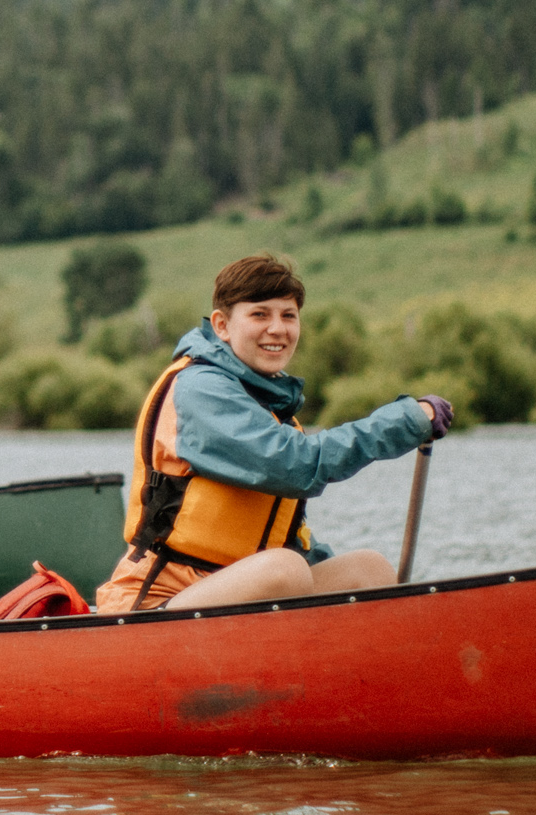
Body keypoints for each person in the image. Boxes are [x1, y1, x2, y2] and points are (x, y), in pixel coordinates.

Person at [93, 253, 452, 613]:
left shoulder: (266, 403)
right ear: (221, 325)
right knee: (285, 569)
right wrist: (405, 421)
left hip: (237, 595)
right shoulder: (201, 389)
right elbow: (296, 465)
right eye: (260, 314)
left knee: (368, 570)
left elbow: (285, 536)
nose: (277, 329)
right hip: (156, 603)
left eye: (288, 316)